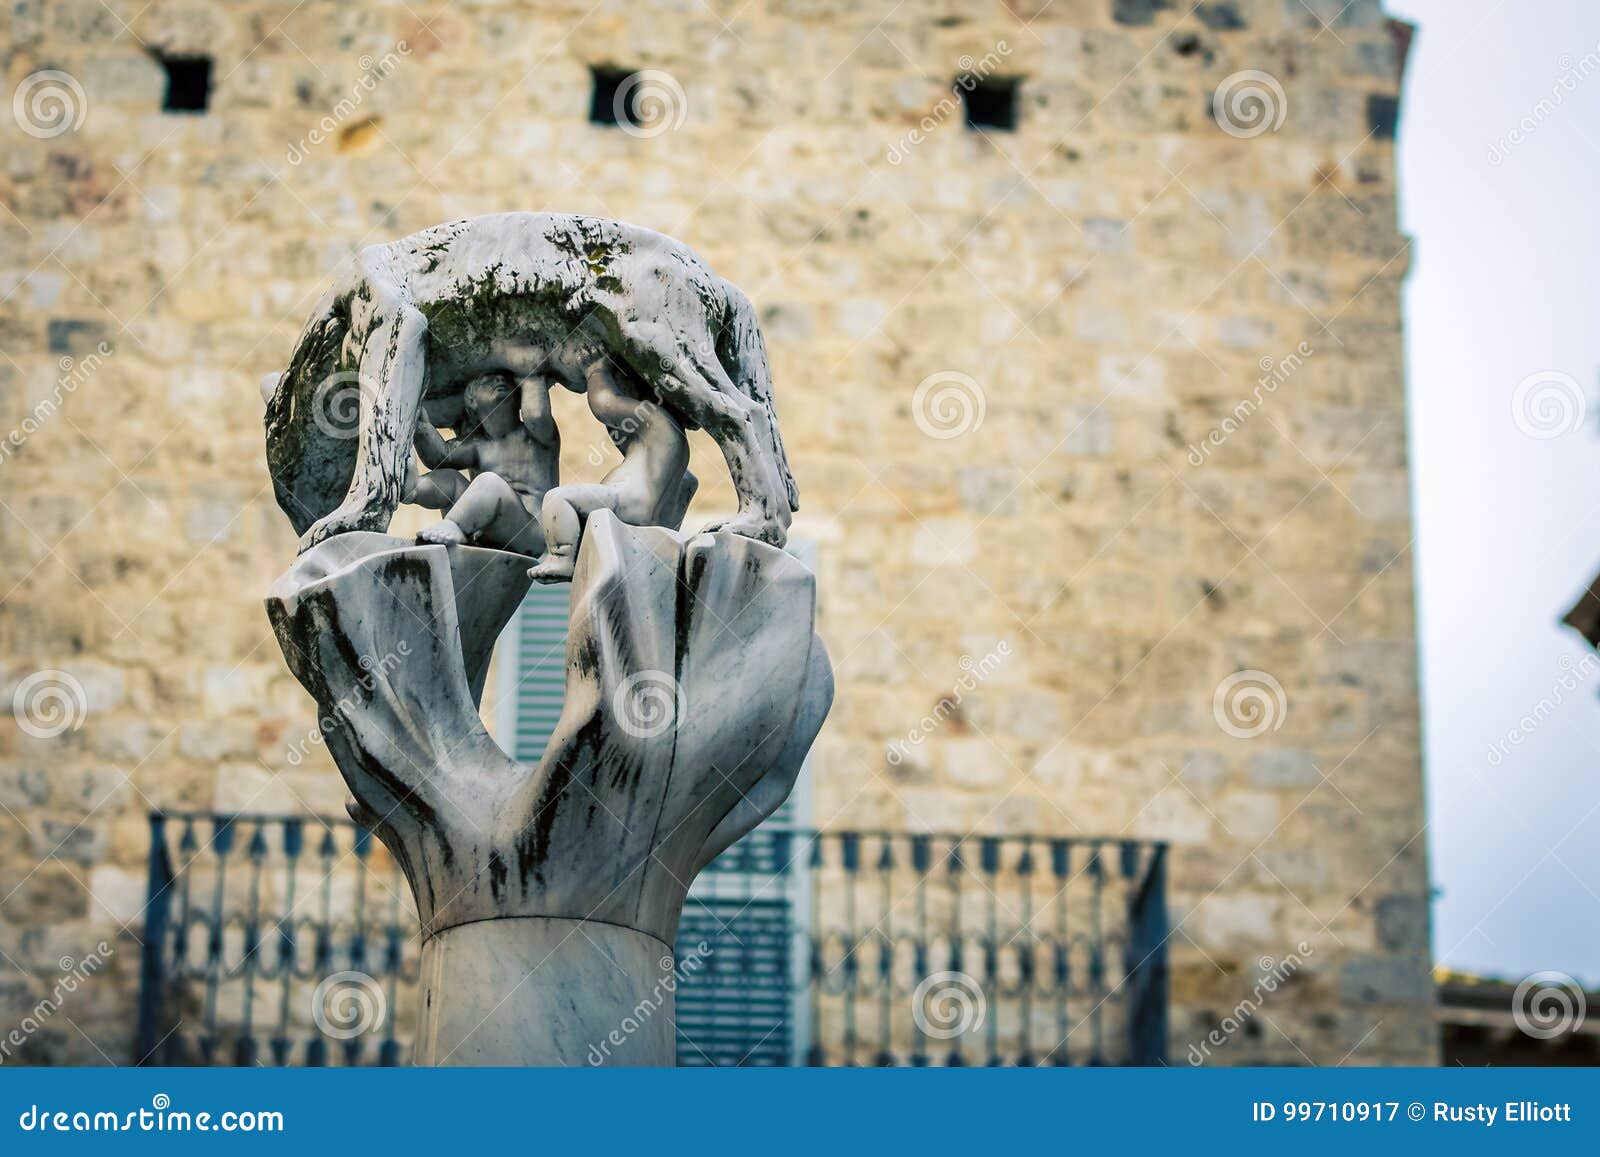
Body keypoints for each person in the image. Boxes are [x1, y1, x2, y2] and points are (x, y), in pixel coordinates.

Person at [529, 359, 697, 583]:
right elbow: (688, 485)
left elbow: (605, 404)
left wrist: (596, 369)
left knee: (557, 498)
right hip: (643, 521)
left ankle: (563, 558)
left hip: (627, 505)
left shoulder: (657, 421)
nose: (614, 428)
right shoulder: (669, 453)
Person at [407, 370, 558, 556]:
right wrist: (421, 426)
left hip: (531, 534)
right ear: (472, 400)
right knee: (452, 479)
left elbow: (537, 415)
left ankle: (454, 524)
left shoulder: (536, 435)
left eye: (508, 380)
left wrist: (529, 373)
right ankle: (412, 489)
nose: (500, 379)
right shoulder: (478, 444)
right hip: (486, 531)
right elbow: (440, 457)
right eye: (488, 380)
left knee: (490, 482)